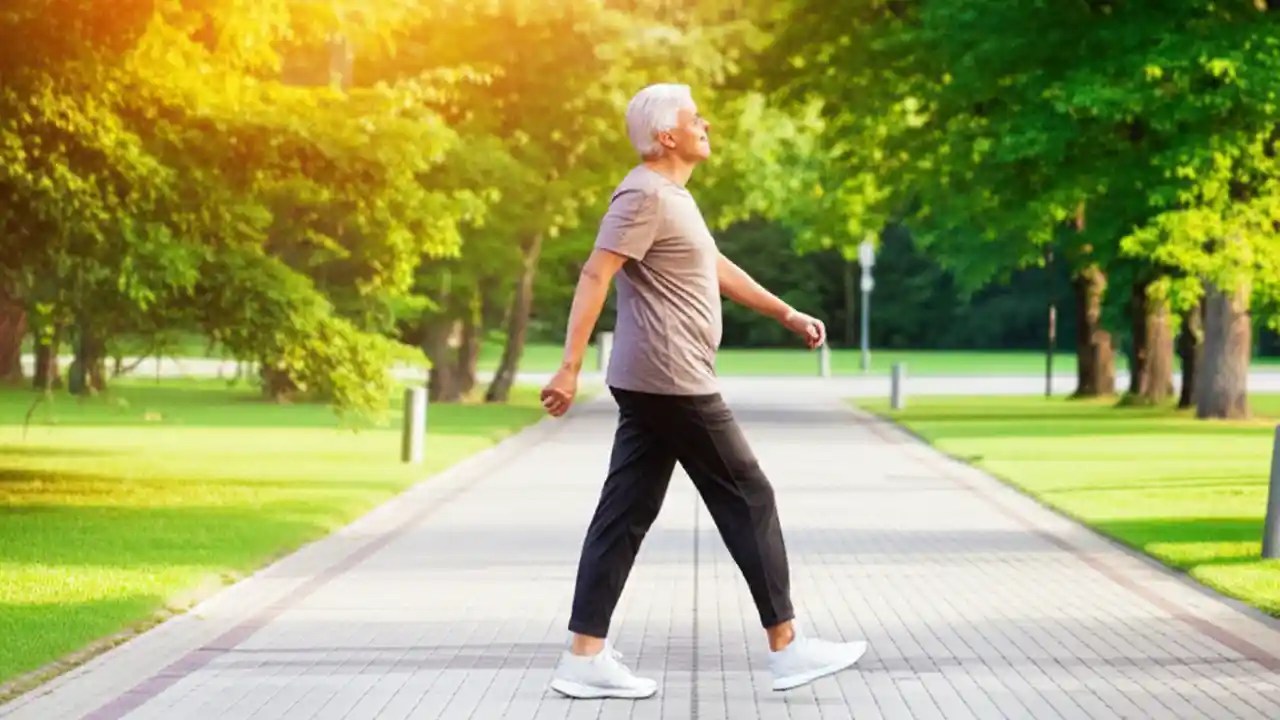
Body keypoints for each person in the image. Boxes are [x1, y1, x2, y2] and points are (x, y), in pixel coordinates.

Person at [540, 83, 868, 700]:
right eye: (696, 119)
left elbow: (714, 266)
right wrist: (568, 366)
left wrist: (786, 313)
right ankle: (788, 647)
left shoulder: (672, 198)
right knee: (749, 494)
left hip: (658, 380)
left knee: (626, 514)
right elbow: (595, 273)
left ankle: (584, 656)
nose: (706, 123)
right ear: (668, 136)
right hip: (671, 379)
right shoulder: (641, 194)